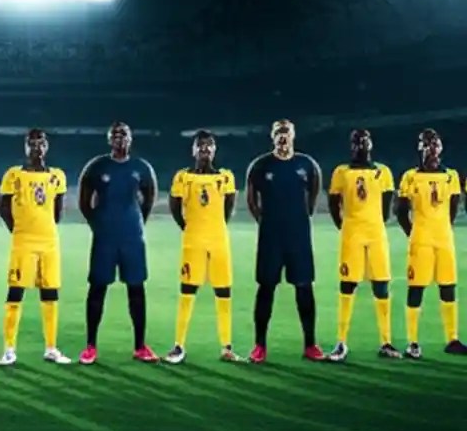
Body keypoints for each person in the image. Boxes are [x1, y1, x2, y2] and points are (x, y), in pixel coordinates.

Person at [77, 122, 158, 364]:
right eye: (115, 135)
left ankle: (140, 346)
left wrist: (137, 221)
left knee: (136, 288)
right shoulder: (96, 166)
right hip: (105, 238)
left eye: (124, 134)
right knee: (98, 288)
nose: (120, 138)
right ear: (109, 139)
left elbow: (149, 196)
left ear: (130, 139)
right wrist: (97, 223)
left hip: (132, 236)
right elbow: (84, 201)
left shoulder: (141, 167)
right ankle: (90, 346)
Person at [245, 119, 324, 363]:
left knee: (304, 286)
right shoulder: (260, 165)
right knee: (266, 287)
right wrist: (265, 220)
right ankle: (260, 346)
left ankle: (310, 344)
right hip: (270, 236)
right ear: (272, 136)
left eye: (286, 132)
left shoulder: (306, 164)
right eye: (278, 132)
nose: (282, 137)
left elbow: (314, 192)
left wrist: (301, 216)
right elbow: (251, 199)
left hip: (298, 235)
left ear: (293, 135)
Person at [165, 130, 241, 364]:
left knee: (224, 292)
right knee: (188, 291)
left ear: (215, 149)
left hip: (218, 240)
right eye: (200, 145)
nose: (205, 149)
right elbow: (175, 207)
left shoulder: (226, 177)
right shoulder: (182, 177)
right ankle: (178, 346)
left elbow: (228, 208)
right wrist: (190, 228)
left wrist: (214, 227)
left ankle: (227, 347)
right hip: (193, 241)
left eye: (209, 145)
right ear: (193, 150)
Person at [0, 129, 70, 365]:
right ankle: (9, 349)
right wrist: (18, 229)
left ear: (46, 146)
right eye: (32, 143)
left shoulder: (57, 176)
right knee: (16, 292)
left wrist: (45, 227)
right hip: (23, 242)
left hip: (49, 242)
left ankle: (51, 347)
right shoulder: (13, 175)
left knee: (50, 293)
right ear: (25, 147)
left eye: (40, 143)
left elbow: (58, 209)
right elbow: (3, 207)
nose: (36, 147)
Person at [326, 129, 399, 361]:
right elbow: (333, 202)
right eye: (356, 141)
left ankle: (386, 342)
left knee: (382, 285)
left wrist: (373, 223)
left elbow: (387, 207)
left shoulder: (383, 172)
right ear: (351, 146)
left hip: (376, 234)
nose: (360, 144)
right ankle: (341, 342)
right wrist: (347, 225)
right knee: (348, 286)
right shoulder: (341, 172)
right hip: (352, 235)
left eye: (364, 140)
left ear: (371, 143)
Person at [395, 128, 467, 358]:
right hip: (421, 241)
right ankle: (413, 342)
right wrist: (414, 233)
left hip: (444, 240)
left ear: (440, 148)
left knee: (448, 287)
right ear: (420, 148)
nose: (431, 149)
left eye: (434, 144)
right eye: (426, 145)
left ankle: (452, 339)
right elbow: (401, 211)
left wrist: (444, 227)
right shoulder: (410, 177)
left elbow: (454, 205)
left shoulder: (451, 176)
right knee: (417, 288)